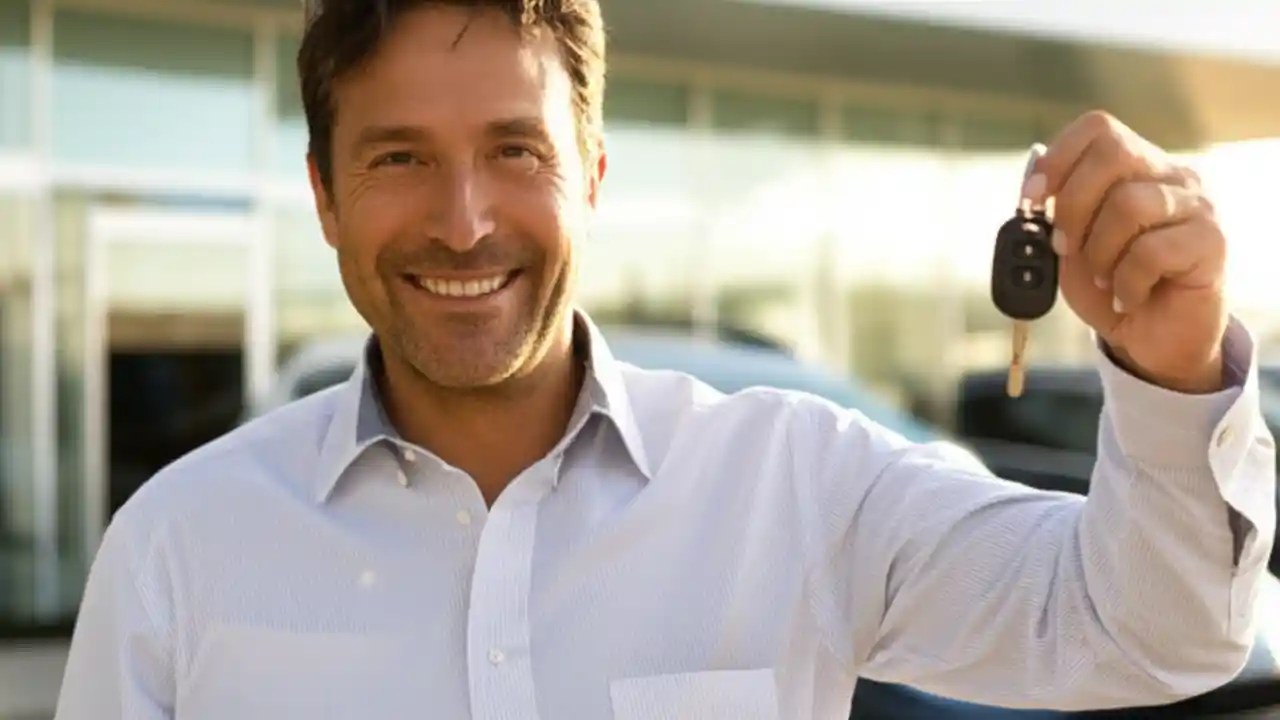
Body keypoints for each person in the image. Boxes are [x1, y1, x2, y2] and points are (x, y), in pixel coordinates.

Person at [55, 1, 1276, 718]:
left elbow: (1151, 636)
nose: (464, 221)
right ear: (322, 196)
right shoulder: (178, 551)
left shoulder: (801, 488)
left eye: (515, 152)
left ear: (590, 177)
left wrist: (1171, 372)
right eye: (398, 159)